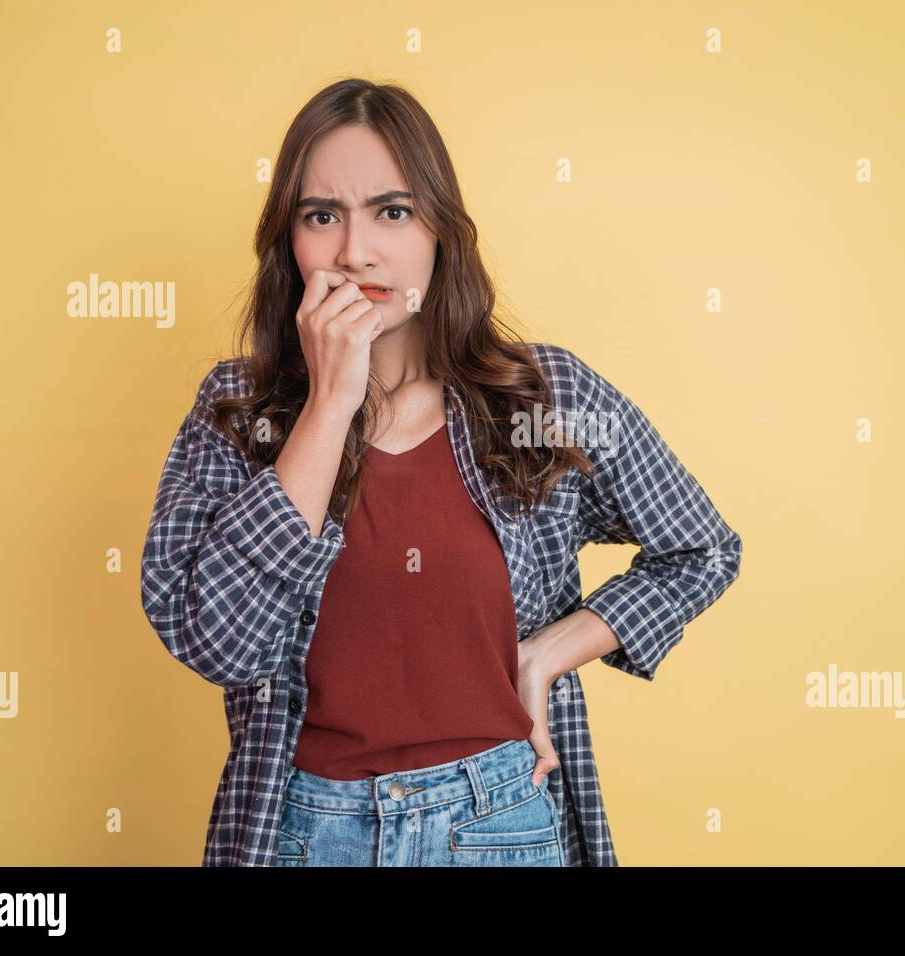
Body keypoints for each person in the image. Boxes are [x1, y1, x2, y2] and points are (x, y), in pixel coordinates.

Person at [140, 77, 743, 866]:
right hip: (302, 833)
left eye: (392, 211)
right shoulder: (237, 408)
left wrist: (547, 652)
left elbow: (702, 550)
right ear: (290, 241)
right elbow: (219, 642)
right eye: (322, 216)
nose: (356, 251)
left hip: (499, 823)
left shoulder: (543, 397)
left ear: (438, 230)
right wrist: (328, 405)